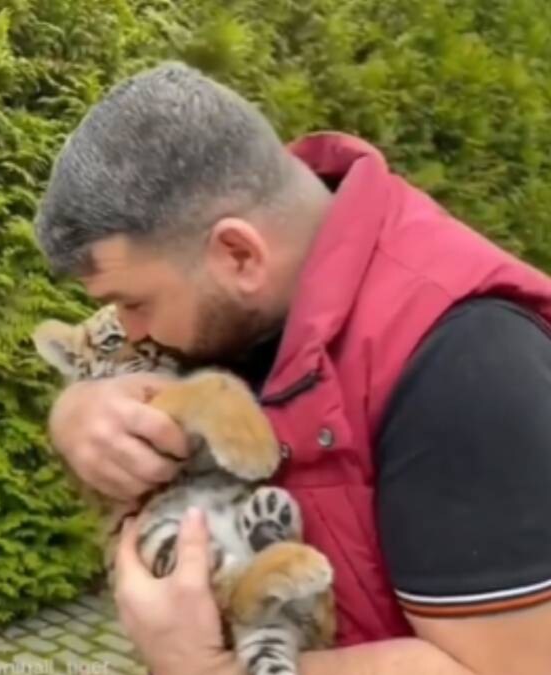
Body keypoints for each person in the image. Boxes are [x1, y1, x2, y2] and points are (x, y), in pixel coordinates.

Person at [33, 61, 551, 674]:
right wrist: (78, 413)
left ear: (239, 253)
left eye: (137, 303)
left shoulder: (467, 365)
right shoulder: (259, 294)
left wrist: (203, 668)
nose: (132, 330)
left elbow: (510, 666)